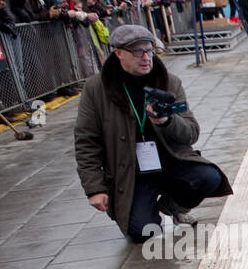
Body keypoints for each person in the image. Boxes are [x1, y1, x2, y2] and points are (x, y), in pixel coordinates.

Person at [74, 24, 232, 241]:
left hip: (170, 162)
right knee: (142, 232)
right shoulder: (96, 89)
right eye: (137, 51)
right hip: (131, 171)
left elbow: (191, 133)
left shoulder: (168, 81)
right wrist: (94, 188)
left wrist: (167, 121)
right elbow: (86, 141)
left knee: (208, 177)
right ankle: (141, 209)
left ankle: (172, 206)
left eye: (149, 50)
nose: (146, 57)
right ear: (118, 53)